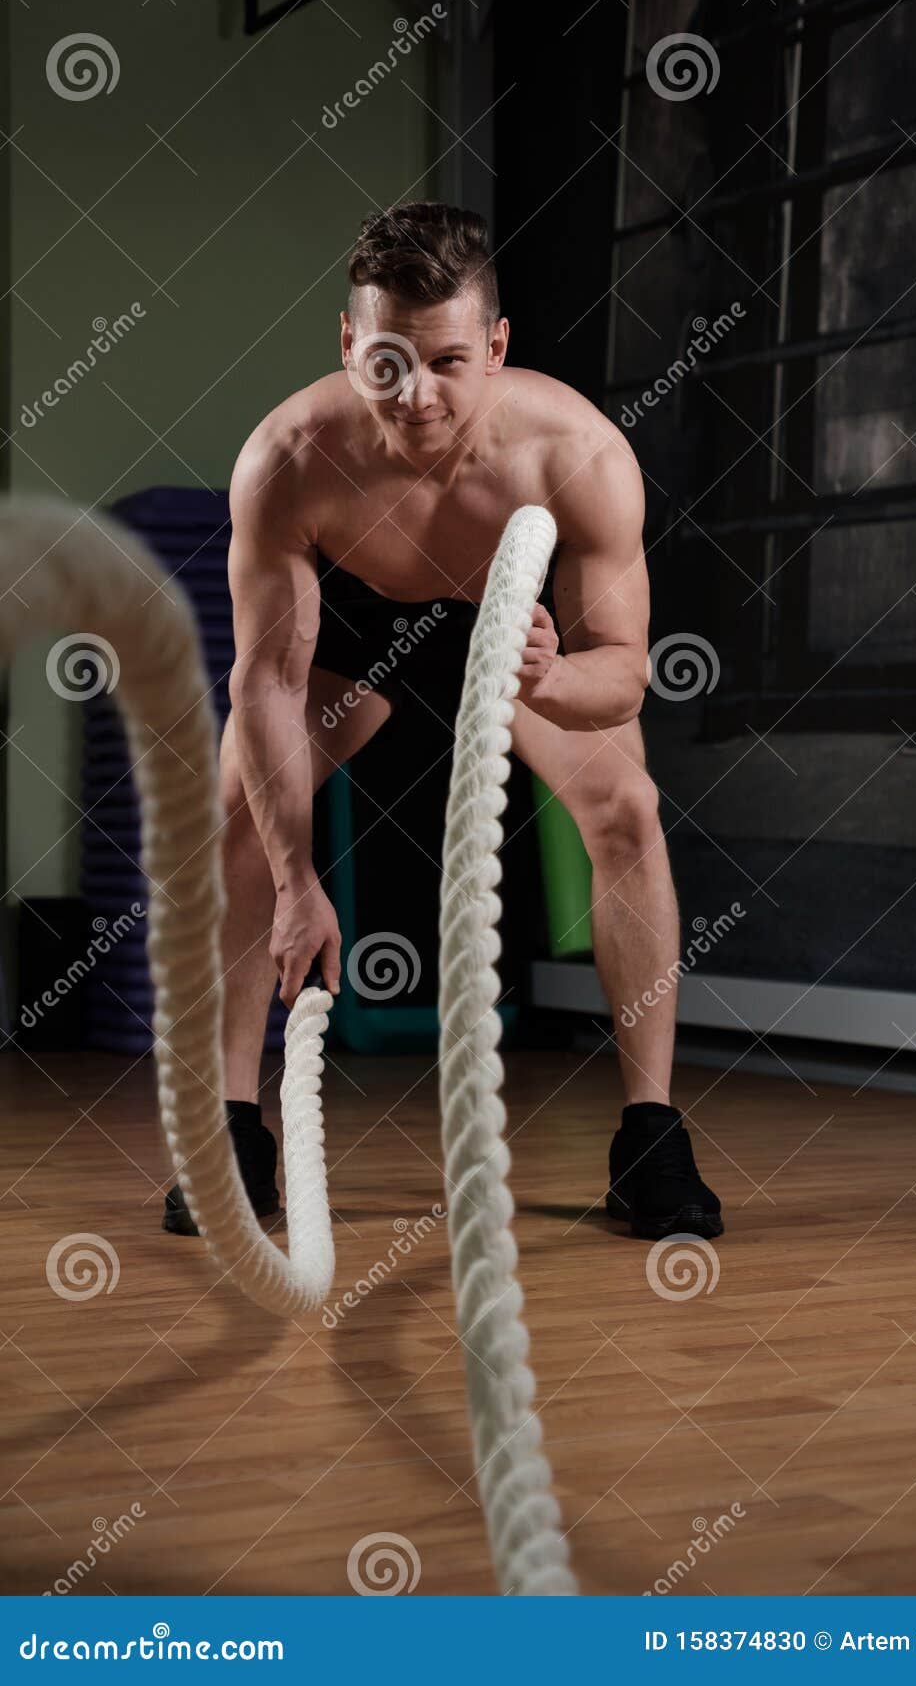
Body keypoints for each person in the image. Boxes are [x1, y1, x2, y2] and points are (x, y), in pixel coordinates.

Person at [163, 202, 723, 1244]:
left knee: (628, 812)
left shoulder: (578, 456)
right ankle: (235, 1126)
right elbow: (269, 682)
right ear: (347, 343)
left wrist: (552, 677)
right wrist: (297, 885)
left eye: (448, 362)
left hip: (514, 640)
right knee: (236, 817)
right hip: (350, 636)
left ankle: (649, 1134)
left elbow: (626, 679)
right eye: (385, 363)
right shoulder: (287, 458)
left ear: (497, 349)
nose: (414, 396)